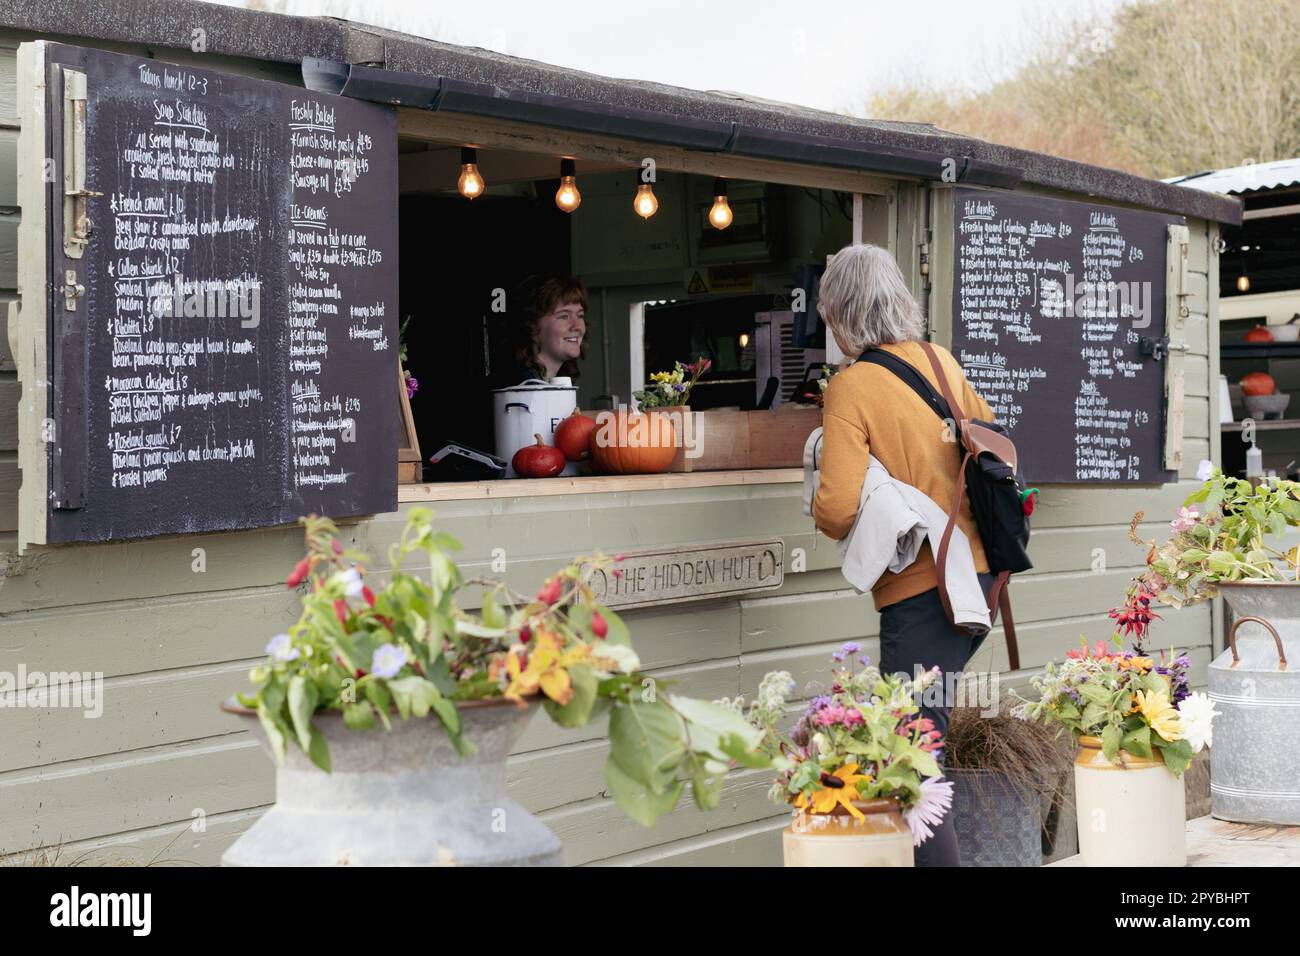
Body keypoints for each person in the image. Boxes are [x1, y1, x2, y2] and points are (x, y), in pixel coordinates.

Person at [811, 243, 996, 867]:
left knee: (910, 759)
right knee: (920, 745)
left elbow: (835, 508)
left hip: (924, 592)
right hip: (980, 581)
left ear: (841, 313)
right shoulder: (942, 363)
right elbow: (992, 451)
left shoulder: (851, 387)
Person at [493, 275, 588, 385]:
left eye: (580, 315)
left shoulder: (548, 381)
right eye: (564, 316)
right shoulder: (522, 388)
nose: (577, 326)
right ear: (532, 323)